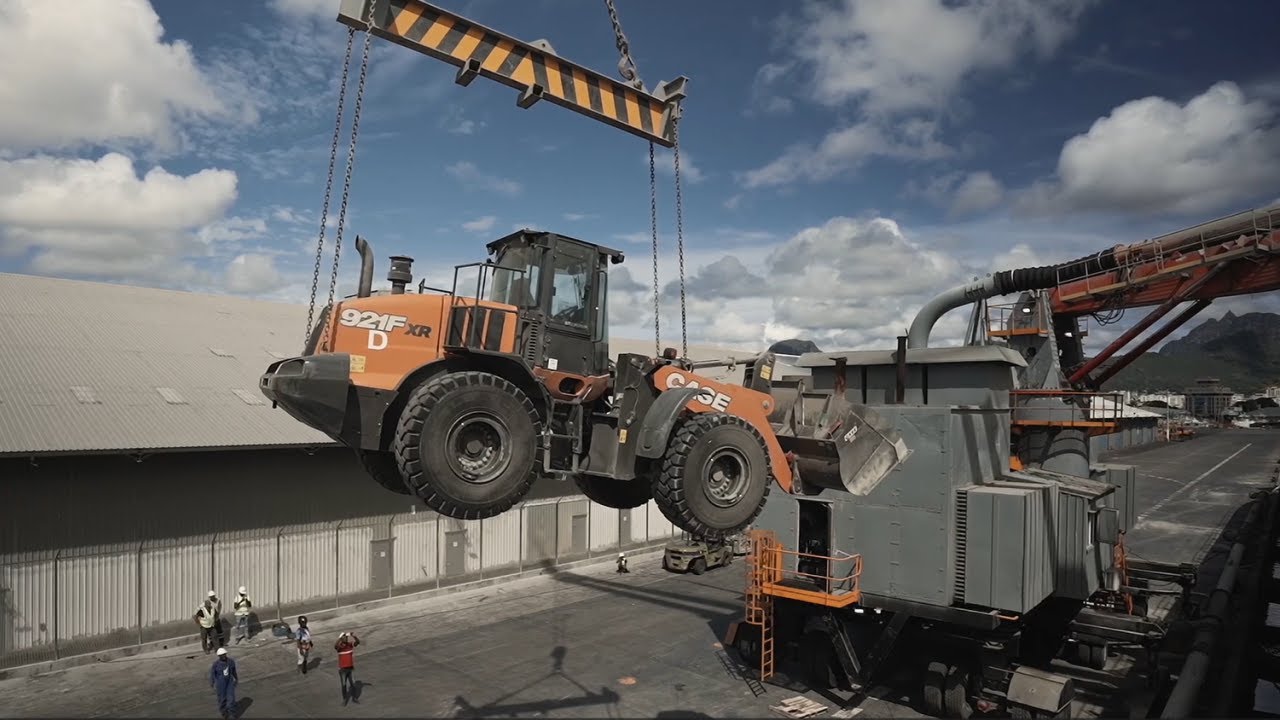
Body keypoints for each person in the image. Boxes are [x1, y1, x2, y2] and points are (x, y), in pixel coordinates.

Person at [210, 647, 239, 719]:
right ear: (219, 656)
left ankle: (232, 715)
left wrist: (236, 678)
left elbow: (234, 671)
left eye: (224, 654)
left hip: (229, 682)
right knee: (222, 699)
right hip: (220, 684)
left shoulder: (231, 662)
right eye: (221, 655)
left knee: (231, 699)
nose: (223, 656)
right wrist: (212, 682)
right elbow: (213, 674)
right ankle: (224, 713)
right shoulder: (216, 664)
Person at [334, 631, 361, 704]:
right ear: (341, 639)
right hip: (343, 670)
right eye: (344, 638)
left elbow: (358, 642)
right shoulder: (340, 647)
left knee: (353, 684)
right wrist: (340, 638)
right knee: (344, 685)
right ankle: (345, 699)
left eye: (346, 637)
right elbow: (335, 646)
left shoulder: (350, 645)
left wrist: (353, 636)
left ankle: (354, 698)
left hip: (350, 669)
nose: (346, 639)